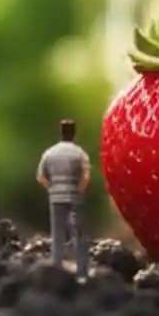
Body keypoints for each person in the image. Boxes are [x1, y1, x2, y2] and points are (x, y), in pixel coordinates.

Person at [37, 119, 91, 277]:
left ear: (60, 132)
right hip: (74, 196)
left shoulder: (49, 153)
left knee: (57, 233)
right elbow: (86, 177)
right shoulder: (80, 153)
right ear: (74, 133)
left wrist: (51, 188)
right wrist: (79, 190)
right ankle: (82, 271)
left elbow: (40, 176)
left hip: (56, 197)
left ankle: (57, 269)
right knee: (79, 234)